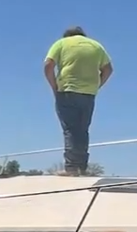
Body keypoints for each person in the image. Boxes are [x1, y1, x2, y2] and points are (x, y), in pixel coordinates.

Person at [43, 26, 112, 176]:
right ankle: (82, 167)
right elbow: (108, 69)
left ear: (67, 35)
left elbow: (48, 65)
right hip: (88, 93)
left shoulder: (62, 43)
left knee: (70, 129)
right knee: (82, 130)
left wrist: (54, 87)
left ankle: (72, 168)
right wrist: (97, 86)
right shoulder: (96, 45)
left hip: (67, 90)